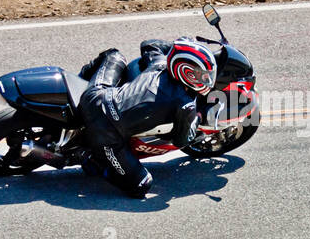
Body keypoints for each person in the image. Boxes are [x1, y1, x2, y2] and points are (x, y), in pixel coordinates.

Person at [75, 37, 217, 197]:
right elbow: (182, 141)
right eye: (204, 76)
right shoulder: (185, 105)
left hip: (96, 95)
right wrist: (198, 117)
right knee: (141, 186)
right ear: (186, 72)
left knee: (114, 56)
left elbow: (149, 44)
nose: (208, 80)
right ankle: (93, 161)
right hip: (107, 134)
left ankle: (78, 80)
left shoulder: (159, 65)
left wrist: (178, 46)